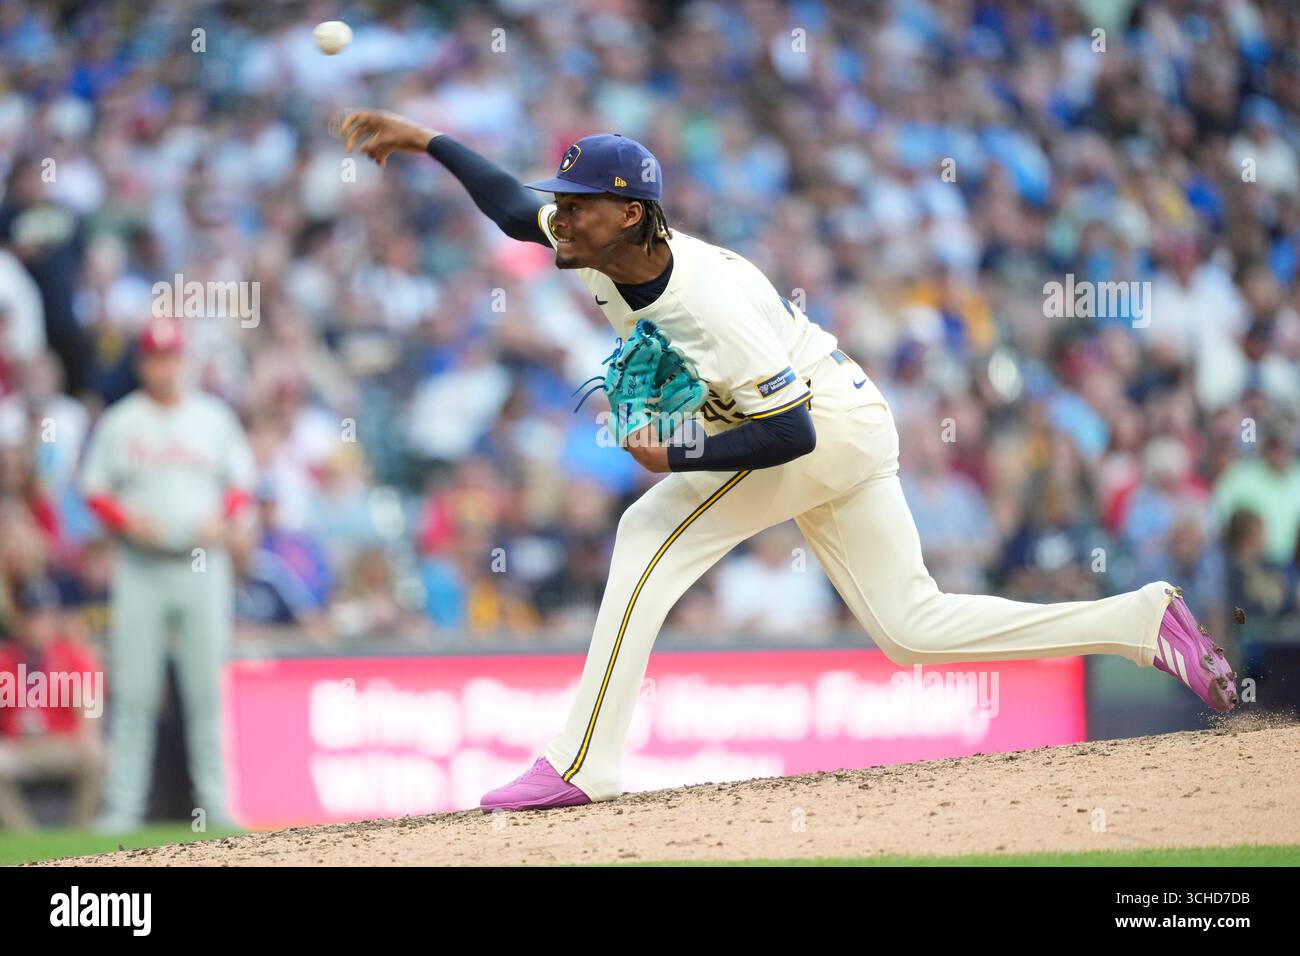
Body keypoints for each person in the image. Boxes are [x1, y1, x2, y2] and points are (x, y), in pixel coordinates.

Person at [339, 112, 1239, 812]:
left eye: (576, 203)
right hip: (847, 414)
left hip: (820, 427)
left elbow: (792, 437)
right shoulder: (597, 241)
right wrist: (425, 140)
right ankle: (1141, 620)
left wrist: (680, 448)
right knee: (913, 627)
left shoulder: (705, 301)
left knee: (648, 528)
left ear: (632, 214)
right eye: (563, 201)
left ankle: (584, 763)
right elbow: (507, 202)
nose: (558, 216)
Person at [78, 317, 255, 832]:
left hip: (203, 567)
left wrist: (223, 520)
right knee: (134, 693)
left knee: (206, 691)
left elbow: (240, 483)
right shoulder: (122, 420)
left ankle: (217, 805)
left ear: (184, 359)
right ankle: (124, 808)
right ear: (142, 363)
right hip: (141, 566)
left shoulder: (213, 417)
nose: (164, 365)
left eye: (171, 356)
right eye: (155, 357)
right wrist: (128, 521)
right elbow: (94, 490)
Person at [0, 578, 104, 831]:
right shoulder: (5, 659)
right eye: (33, 616)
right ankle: (27, 839)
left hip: (62, 744)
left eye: (45, 616)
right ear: (20, 621)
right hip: (19, 747)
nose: (39, 624)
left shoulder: (73, 656)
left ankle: (81, 834)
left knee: (97, 755)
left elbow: (91, 707)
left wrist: (87, 732)